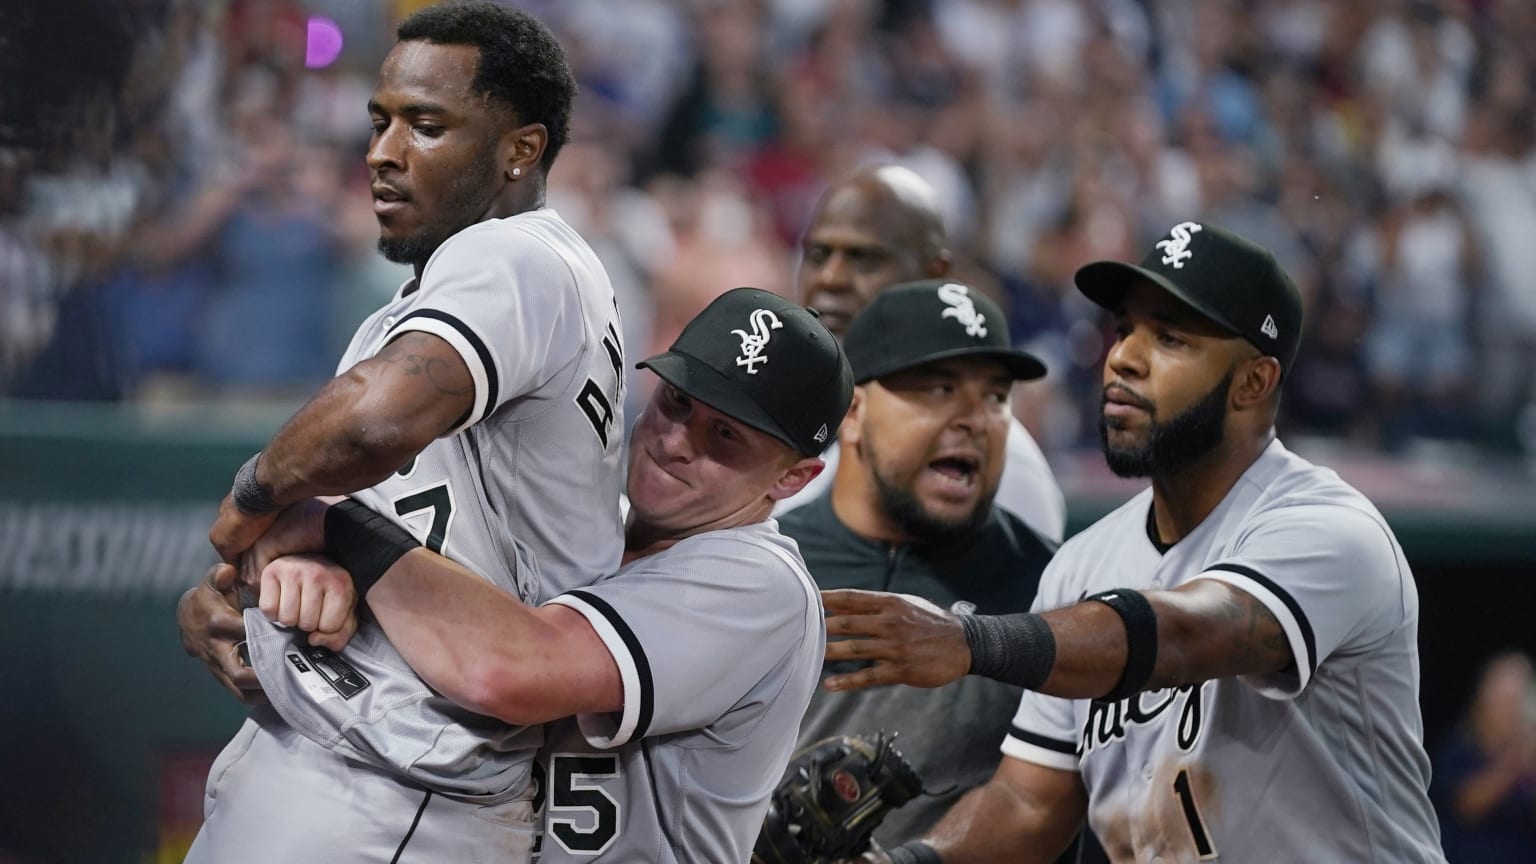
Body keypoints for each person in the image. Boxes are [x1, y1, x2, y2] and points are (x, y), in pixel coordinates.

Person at [818, 222, 1447, 863]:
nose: (1123, 358)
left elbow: (1184, 635)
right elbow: (1029, 805)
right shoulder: (1084, 563)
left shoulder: (1329, 529)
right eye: (1125, 330)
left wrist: (971, 642)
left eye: (1170, 337)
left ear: (1254, 382)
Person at [185, 287, 854, 863]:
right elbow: (419, 617)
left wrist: (339, 529)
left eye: (725, 437)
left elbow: (505, 671)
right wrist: (274, 591)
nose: (677, 440)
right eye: (678, 403)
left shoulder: (761, 581)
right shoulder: (584, 530)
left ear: (795, 476)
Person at [179, 3, 627, 860]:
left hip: (394, 796)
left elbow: (375, 420)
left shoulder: (516, 253)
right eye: (380, 121)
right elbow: (374, 506)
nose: (384, 152)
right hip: (375, 772)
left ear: (520, 150)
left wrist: (246, 511)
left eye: (427, 125)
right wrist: (249, 586)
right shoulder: (471, 286)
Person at [779, 279, 1058, 847]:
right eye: (937, 389)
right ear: (852, 413)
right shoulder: (765, 562)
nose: (975, 419)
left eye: (996, 396)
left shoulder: (1052, 585)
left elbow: (1051, 803)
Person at [779, 164, 1066, 544]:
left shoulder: (989, 458)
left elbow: (1022, 595)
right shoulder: (774, 404)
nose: (831, 278)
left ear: (934, 275)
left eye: (864, 258)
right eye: (817, 254)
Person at [1431, 650, 1536, 864]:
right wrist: (1512, 763)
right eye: (1504, 701)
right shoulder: (1460, 747)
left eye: (1517, 702)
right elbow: (1465, 806)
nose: (1510, 711)